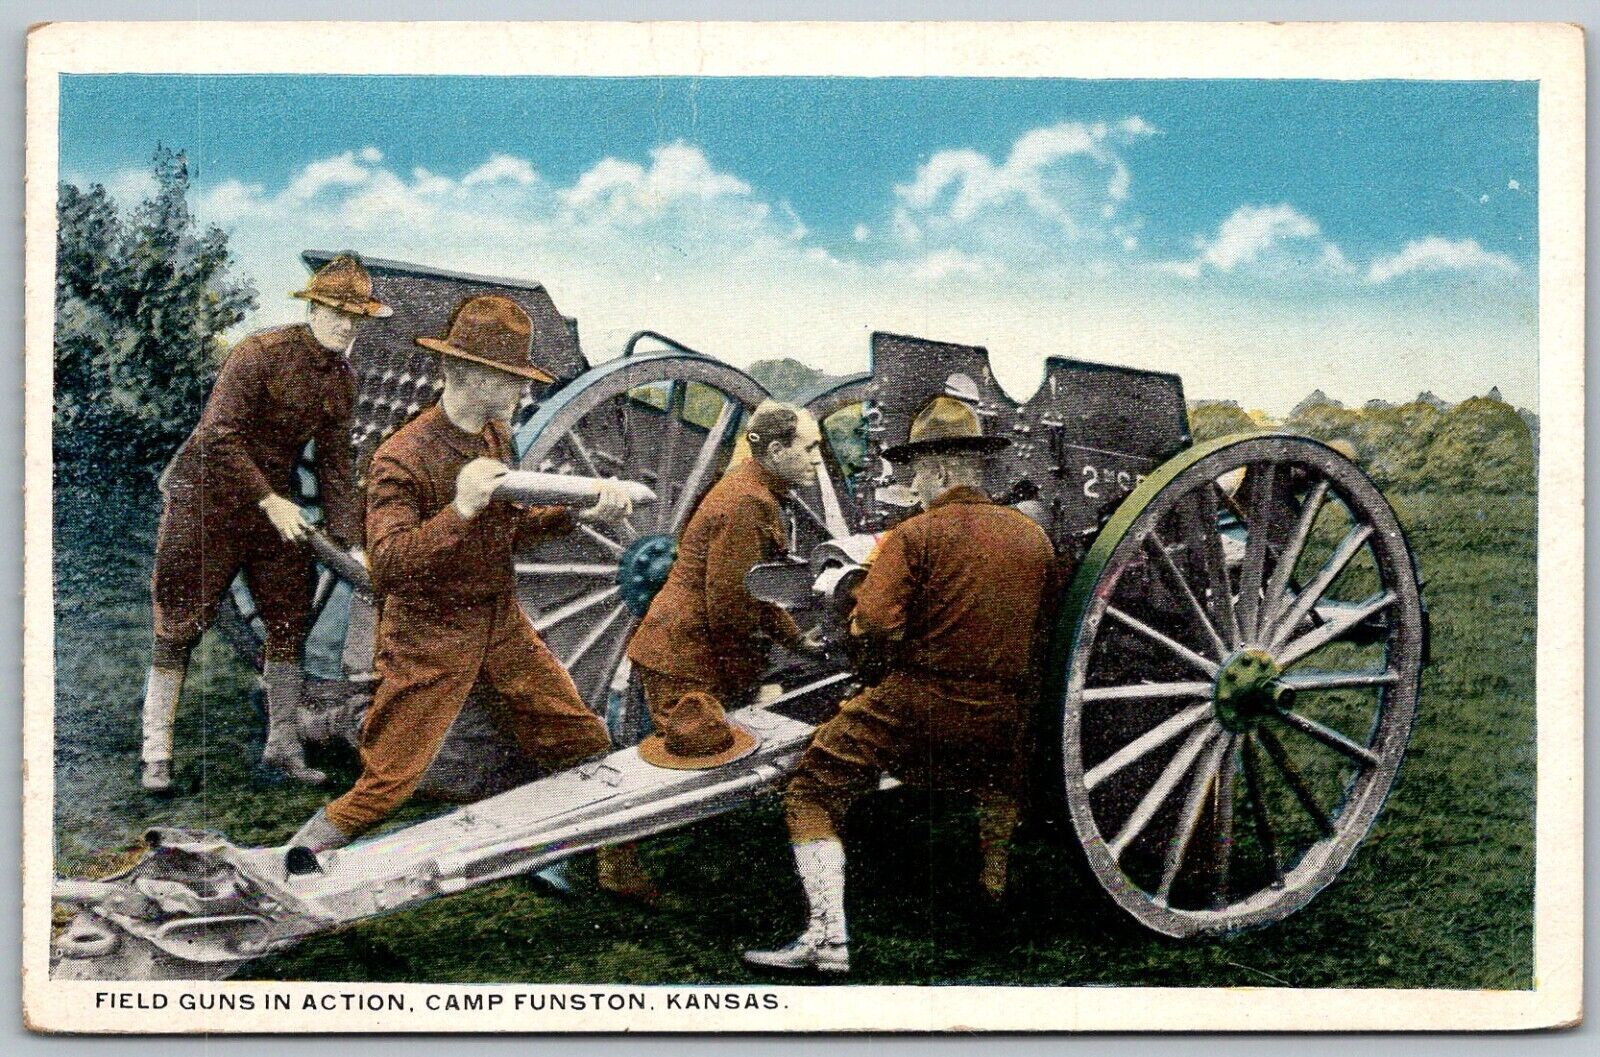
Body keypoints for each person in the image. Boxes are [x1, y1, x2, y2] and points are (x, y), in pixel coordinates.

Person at [285, 294, 654, 900]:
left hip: (499, 622)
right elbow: (393, 567)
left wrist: (581, 507)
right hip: (428, 633)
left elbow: (507, 531)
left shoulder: (495, 435)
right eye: (506, 378)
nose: (516, 390)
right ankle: (290, 860)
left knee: (582, 738)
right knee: (389, 780)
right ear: (459, 372)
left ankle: (615, 862)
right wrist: (461, 507)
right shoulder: (400, 458)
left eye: (518, 378)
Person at [743, 396, 1055, 973]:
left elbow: (875, 625)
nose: (911, 484)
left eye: (913, 473)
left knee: (811, 789)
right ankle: (991, 898)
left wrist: (860, 630)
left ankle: (827, 941)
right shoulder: (1033, 541)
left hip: (919, 703)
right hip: (1002, 712)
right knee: (997, 784)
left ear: (935, 470)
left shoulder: (916, 536)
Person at [141, 253, 388, 794]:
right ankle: (155, 753)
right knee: (180, 621)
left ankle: (283, 746)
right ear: (313, 309)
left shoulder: (341, 378)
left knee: (287, 620)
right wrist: (268, 500)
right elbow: (217, 437)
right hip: (205, 498)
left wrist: (352, 543)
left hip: (272, 506)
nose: (345, 326)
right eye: (336, 313)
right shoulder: (260, 354)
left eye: (355, 318)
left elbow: (333, 465)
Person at [626, 402, 825, 771]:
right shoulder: (748, 503)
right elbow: (731, 607)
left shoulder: (750, 487)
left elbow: (752, 591)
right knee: (689, 770)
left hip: (684, 651)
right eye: (809, 448)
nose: (817, 460)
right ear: (777, 451)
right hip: (686, 659)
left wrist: (795, 641)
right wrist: (749, 682)